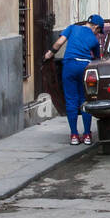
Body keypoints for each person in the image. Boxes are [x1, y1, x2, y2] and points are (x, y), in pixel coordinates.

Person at [44, 13, 104, 145]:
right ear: (96, 27)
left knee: (71, 100)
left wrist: (49, 54)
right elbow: (97, 59)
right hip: (84, 67)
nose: (98, 33)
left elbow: (59, 43)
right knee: (85, 100)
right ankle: (87, 135)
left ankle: (74, 136)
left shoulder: (72, 28)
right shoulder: (94, 40)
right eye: (99, 31)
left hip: (69, 66)